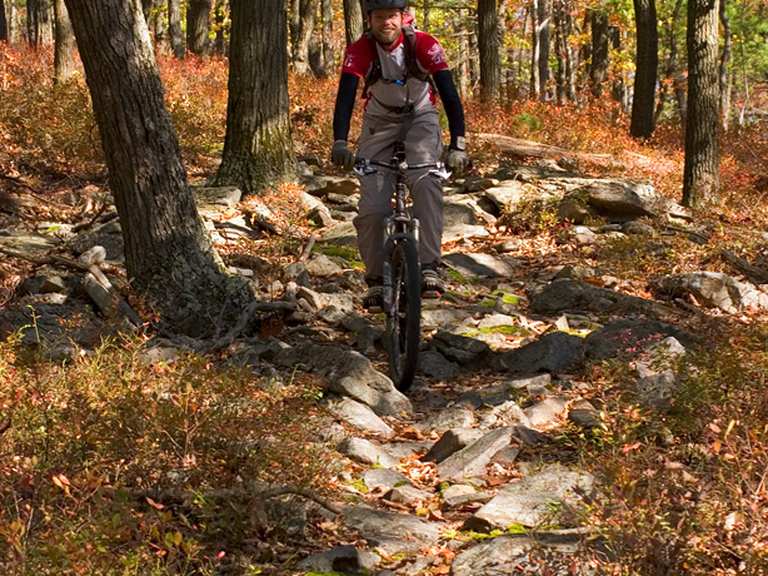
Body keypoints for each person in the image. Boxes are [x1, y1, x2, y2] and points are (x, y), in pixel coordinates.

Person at [330, 0, 469, 310]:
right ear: (370, 20)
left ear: (403, 17)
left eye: (391, 16)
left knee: (427, 183)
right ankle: (376, 281)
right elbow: (345, 96)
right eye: (379, 17)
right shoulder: (360, 49)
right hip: (378, 122)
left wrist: (458, 144)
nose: (386, 24)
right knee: (373, 209)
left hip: (421, 116)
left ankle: (430, 266)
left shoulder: (425, 44)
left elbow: (449, 94)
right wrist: (340, 141)